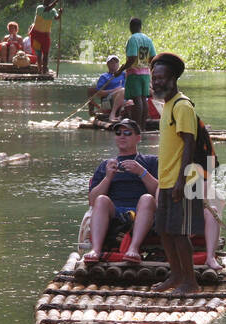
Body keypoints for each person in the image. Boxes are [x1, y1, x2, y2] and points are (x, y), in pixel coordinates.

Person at [151, 52, 204, 294]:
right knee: (164, 230)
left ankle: (190, 282)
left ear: (173, 79)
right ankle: (176, 276)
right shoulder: (167, 106)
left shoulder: (182, 106)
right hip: (166, 180)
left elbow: (189, 144)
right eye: (154, 78)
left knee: (180, 233)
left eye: (161, 78)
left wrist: (181, 181)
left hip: (183, 181)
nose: (157, 82)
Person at [86, 119, 159, 264]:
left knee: (147, 198)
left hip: (143, 209)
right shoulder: (106, 165)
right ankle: (96, 249)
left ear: (138, 138)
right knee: (101, 199)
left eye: (127, 133)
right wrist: (108, 177)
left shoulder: (151, 161)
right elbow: (92, 200)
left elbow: (160, 192)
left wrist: (142, 172)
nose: (122, 136)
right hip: (115, 211)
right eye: (118, 133)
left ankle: (133, 248)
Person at [122, 22, 155, 131]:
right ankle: (143, 127)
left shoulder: (133, 39)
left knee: (137, 100)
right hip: (145, 74)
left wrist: (121, 69)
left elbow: (132, 57)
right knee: (143, 99)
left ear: (131, 27)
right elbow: (153, 57)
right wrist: (147, 66)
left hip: (134, 73)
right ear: (141, 27)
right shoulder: (148, 39)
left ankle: (136, 128)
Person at [30, 0, 62, 73]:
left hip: (45, 34)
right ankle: (39, 69)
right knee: (39, 53)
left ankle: (44, 70)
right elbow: (47, 9)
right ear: (43, 2)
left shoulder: (53, 10)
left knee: (46, 53)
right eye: (45, 1)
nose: (46, 2)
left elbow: (57, 18)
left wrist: (60, 13)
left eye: (48, 1)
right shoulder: (40, 8)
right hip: (36, 34)